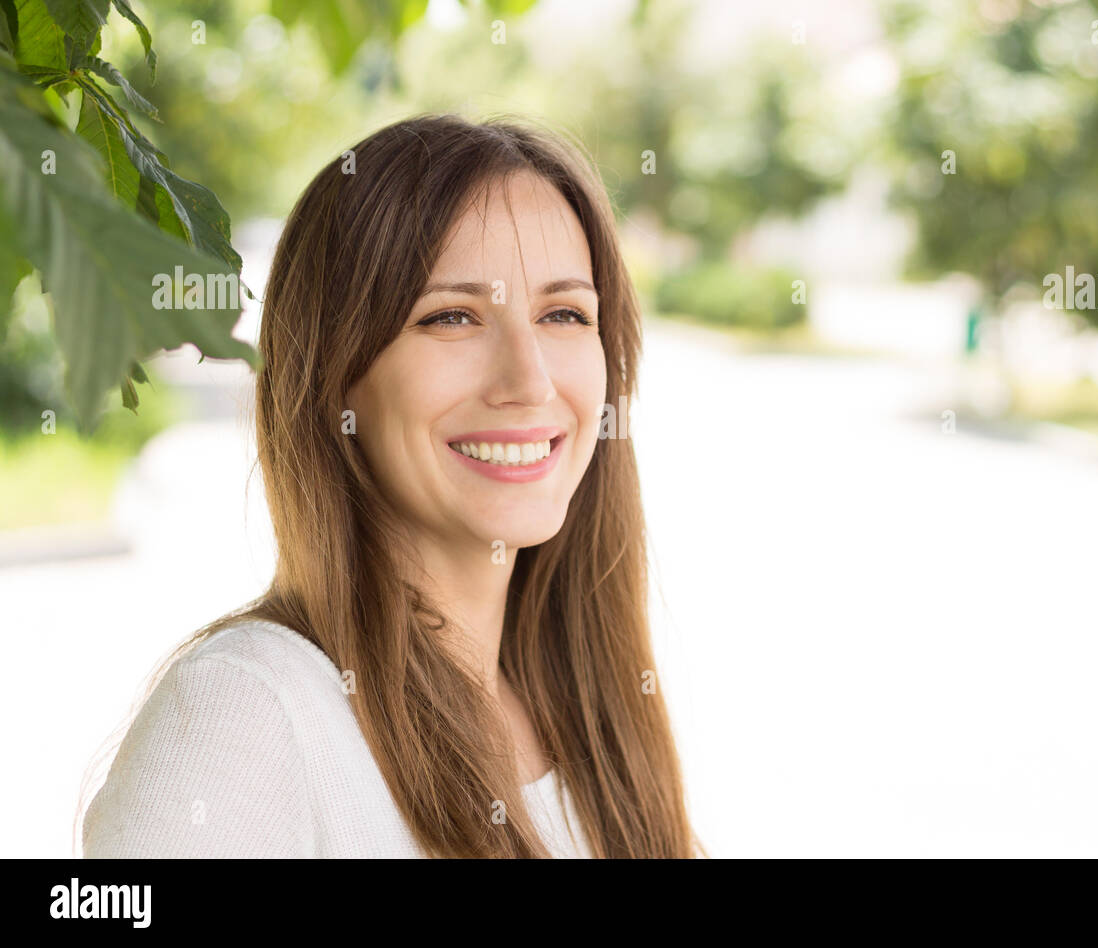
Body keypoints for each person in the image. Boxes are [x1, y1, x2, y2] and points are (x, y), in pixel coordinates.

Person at [80, 113, 704, 858]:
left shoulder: (590, 713)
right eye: (451, 317)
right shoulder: (246, 717)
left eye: (564, 313)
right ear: (335, 378)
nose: (530, 382)